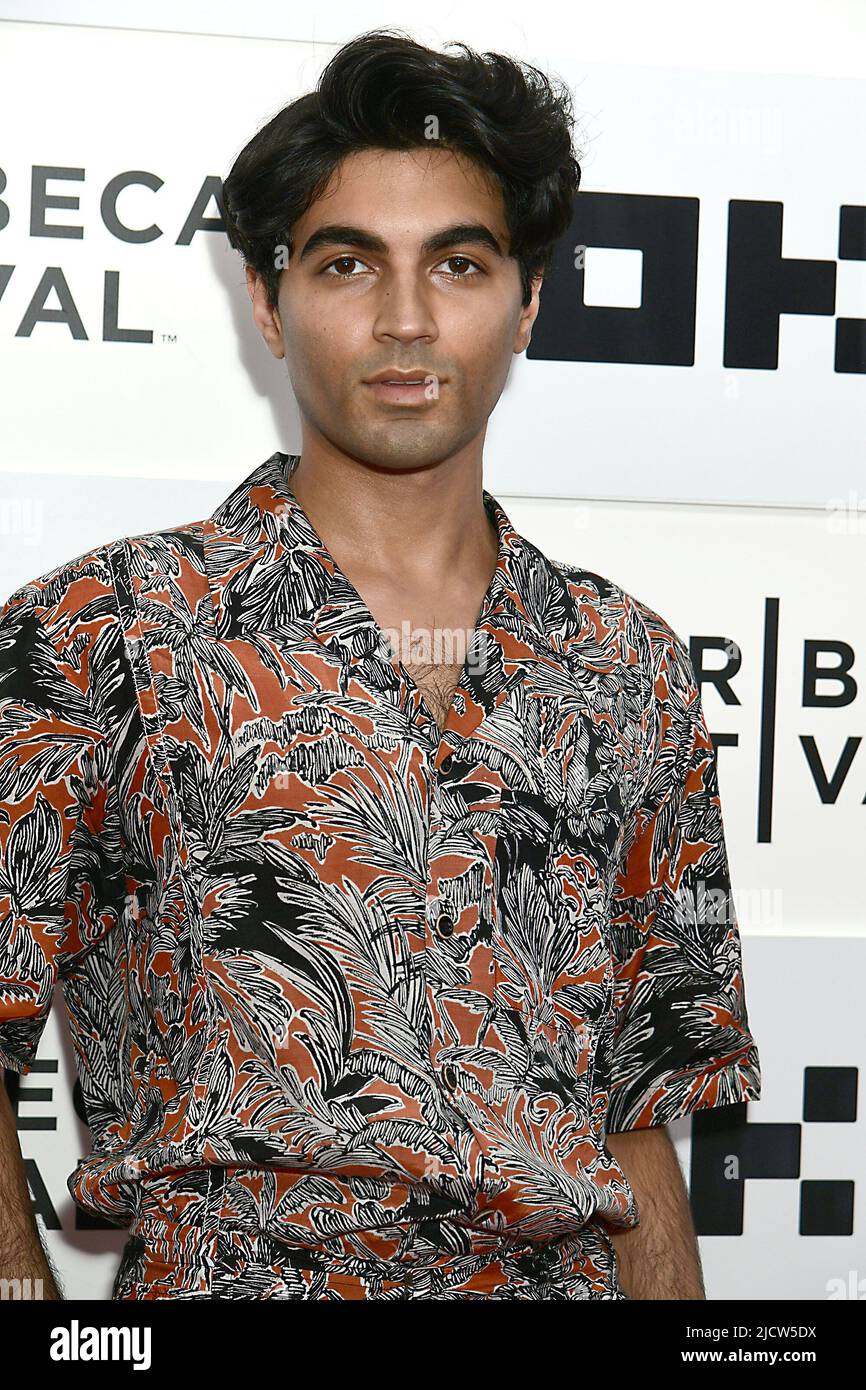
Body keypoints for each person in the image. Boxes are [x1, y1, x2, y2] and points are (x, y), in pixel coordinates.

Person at [0, 28, 760, 1301]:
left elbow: (638, 1107)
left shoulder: (627, 663)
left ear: (524, 299)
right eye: (349, 263)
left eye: (456, 264)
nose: (405, 320)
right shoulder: (101, 629)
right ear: (266, 297)